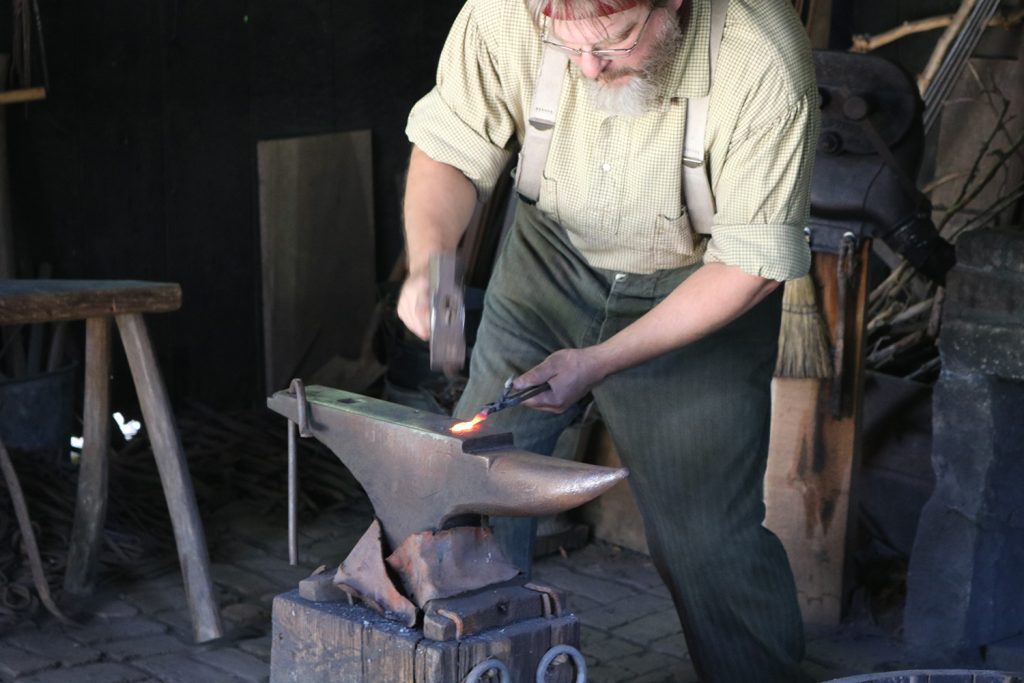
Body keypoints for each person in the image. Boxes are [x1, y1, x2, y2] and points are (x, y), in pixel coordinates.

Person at [397, 0, 819, 679]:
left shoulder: (761, 55)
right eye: (567, 47)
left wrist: (596, 363)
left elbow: (751, 266)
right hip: (550, 258)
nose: (588, 68)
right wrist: (431, 263)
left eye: (616, 42)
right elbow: (448, 148)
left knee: (708, 539)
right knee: (470, 488)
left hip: (695, 284)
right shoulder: (505, 12)